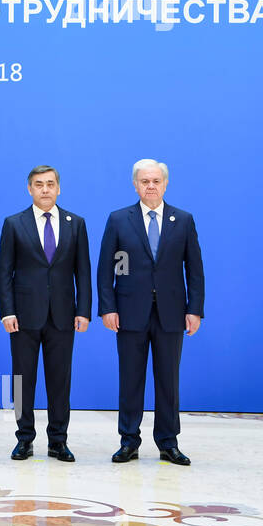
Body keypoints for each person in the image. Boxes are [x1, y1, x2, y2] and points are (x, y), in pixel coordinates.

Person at [98, 159, 204, 466]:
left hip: (171, 314)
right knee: (130, 379)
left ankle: (168, 443)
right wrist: (108, 307)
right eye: (145, 181)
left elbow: (194, 269)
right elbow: (106, 268)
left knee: (168, 381)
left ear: (165, 184)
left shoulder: (182, 220)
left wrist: (195, 309)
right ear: (135, 185)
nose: (151, 186)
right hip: (129, 312)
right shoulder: (119, 219)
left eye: (156, 181)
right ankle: (128, 441)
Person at [0, 165, 90, 463]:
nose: (45, 189)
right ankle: (24, 439)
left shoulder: (76, 223)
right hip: (23, 317)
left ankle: (58, 441)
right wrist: (7, 311)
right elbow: (4, 271)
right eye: (39, 184)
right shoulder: (14, 223)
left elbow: (83, 271)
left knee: (60, 381)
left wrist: (84, 310)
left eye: (50, 184)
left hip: (63, 315)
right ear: (29, 189)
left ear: (59, 188)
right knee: (23, 380)